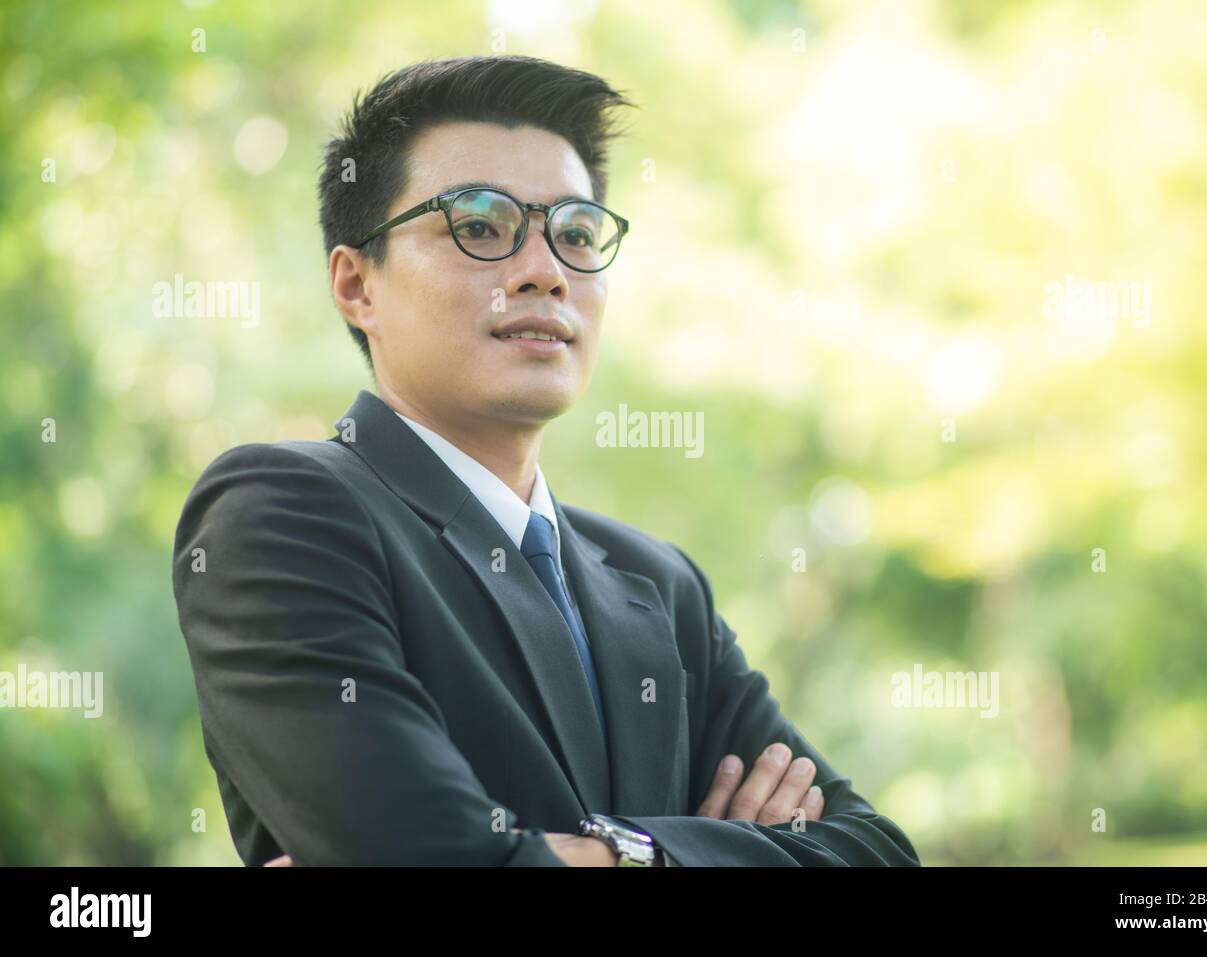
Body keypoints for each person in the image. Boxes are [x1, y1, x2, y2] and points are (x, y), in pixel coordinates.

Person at [171, 54, 920, 867]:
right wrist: (723, 848)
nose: (545, 273)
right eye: (480, 226)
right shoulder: (284, 514)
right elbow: (426, 853)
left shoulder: (661, 589)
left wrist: (621, 852)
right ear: (357, 285)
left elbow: (875, 851)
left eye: (575, 233)